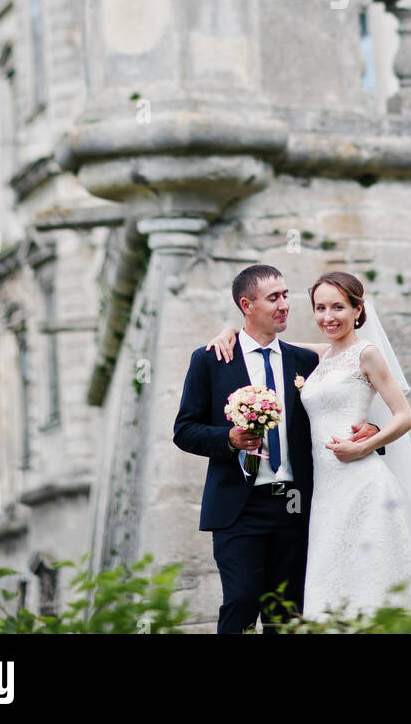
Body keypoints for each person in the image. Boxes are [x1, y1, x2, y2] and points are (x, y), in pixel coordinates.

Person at [208, 271, 411, 621]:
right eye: (320, 308)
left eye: (338, 307)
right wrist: (230, 332)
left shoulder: (368, 354)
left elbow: (404, 417)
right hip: (324, 492)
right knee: (330, 588)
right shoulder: (322, 356)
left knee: (373, 583)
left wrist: (366, 445)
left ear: (358, 309)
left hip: (362, 482)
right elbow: (267, 345)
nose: (328, 317)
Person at [172, 264, 381, 633]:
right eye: (274, 298)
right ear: (246, 304)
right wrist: (228, 439)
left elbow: (347, 387)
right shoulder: (210, 360)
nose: (285, 304)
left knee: (287, 613)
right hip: (239, 507)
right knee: (240, 601)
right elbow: (184, 430)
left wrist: (372, 429)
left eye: (286, 295)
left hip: (295, 503)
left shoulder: (305, 361)